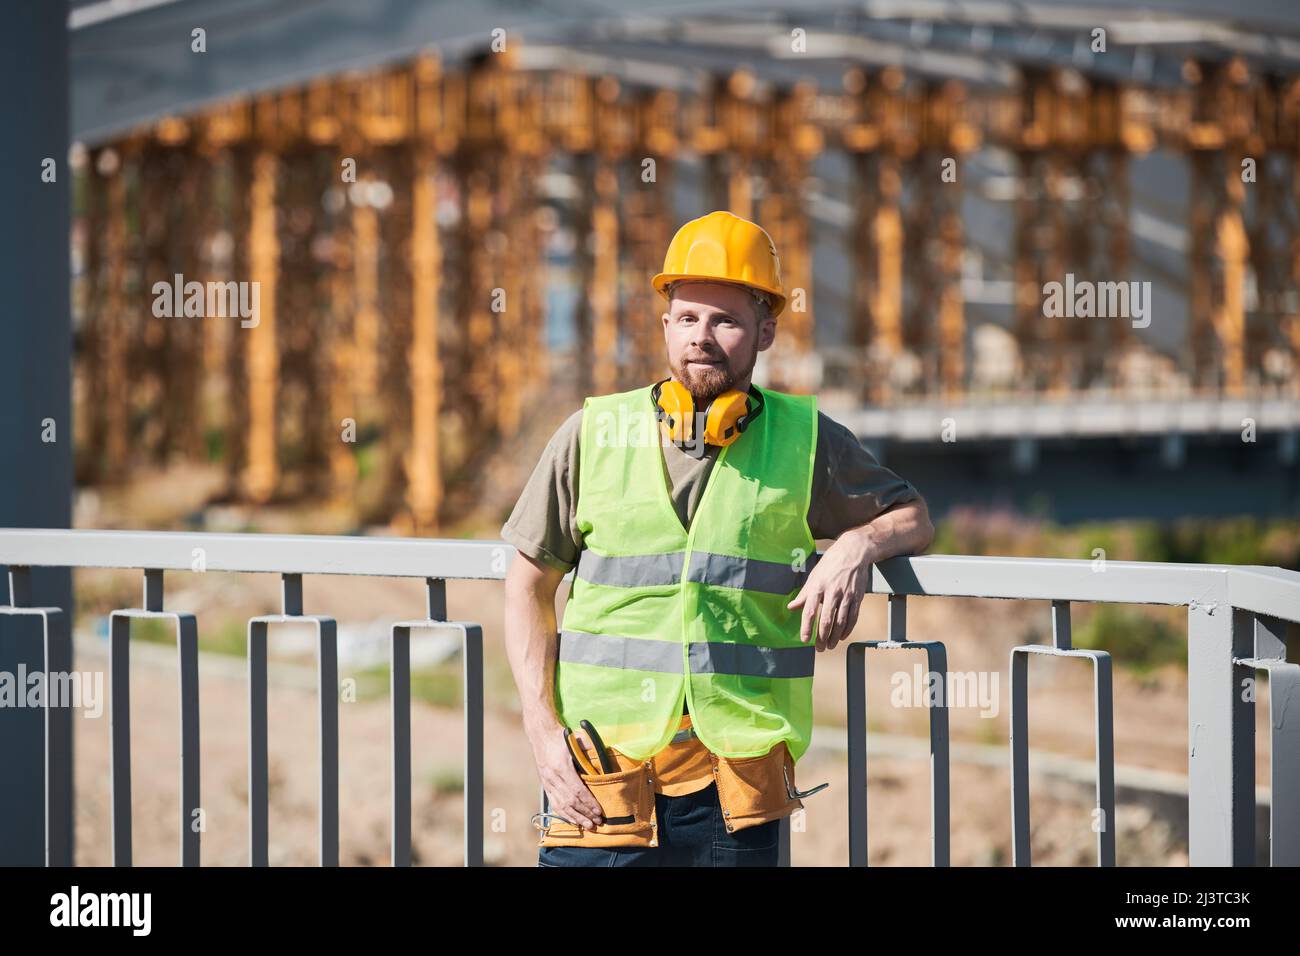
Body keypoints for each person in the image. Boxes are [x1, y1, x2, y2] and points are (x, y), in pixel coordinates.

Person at [502, 210, 934, 867]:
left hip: (733, 784)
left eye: (724, 320)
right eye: (686, 317)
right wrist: (541, 735)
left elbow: (913, 515)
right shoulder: (593, 433)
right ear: (666, 322)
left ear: (765, 330)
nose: (700, 338)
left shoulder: (805, 439)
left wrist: (855, 546)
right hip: (599, 772)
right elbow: (527, 584)